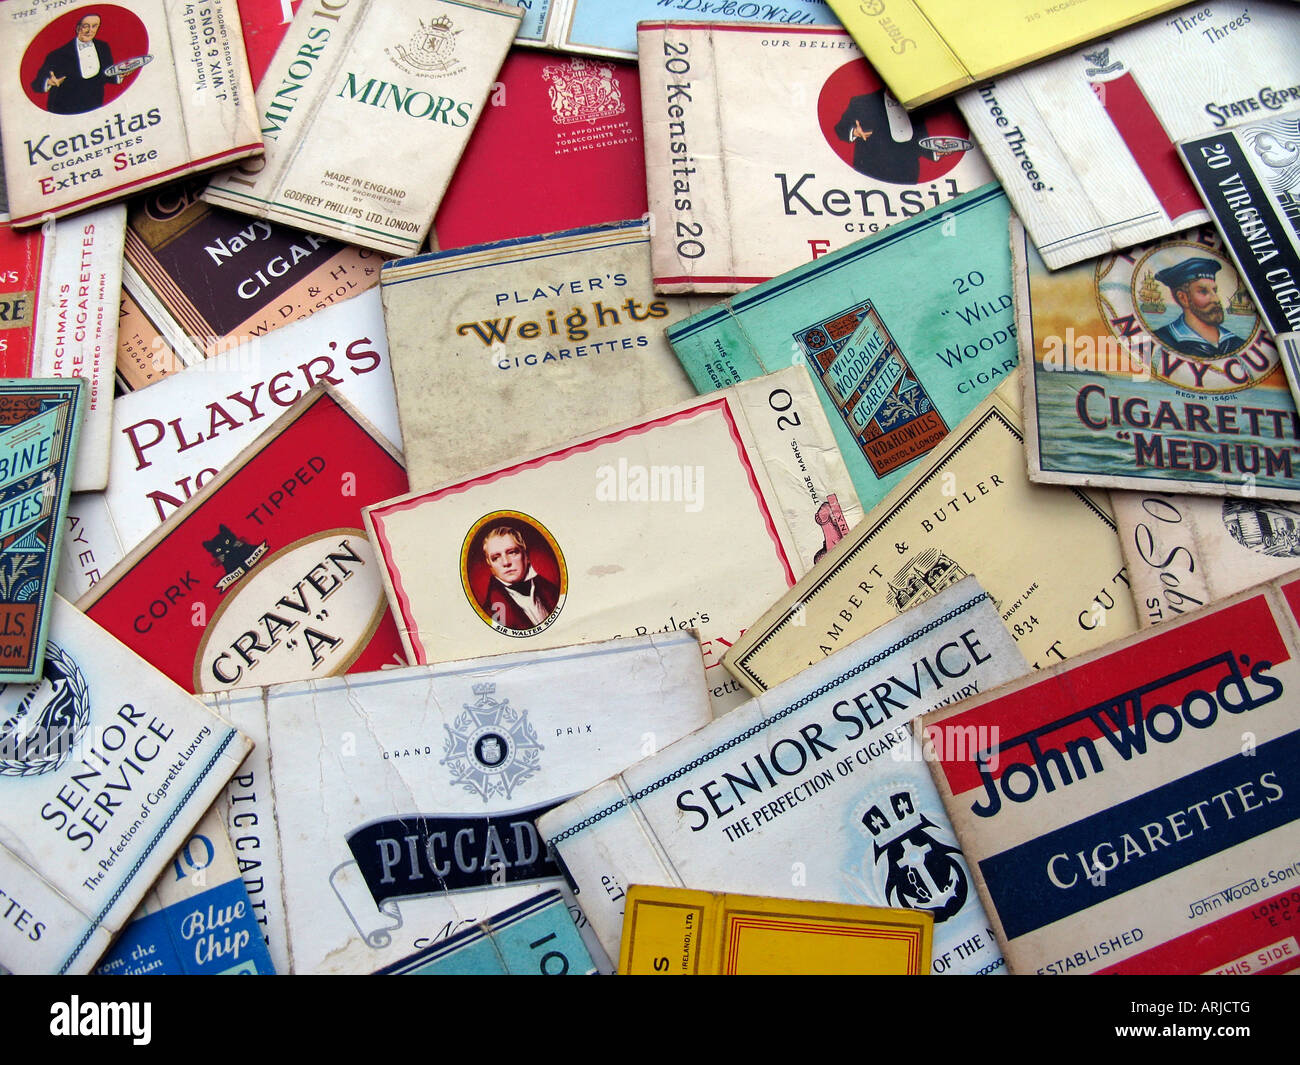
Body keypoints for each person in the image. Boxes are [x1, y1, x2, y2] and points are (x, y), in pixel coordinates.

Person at [1150, 257, 1245, 359]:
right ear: (1183, 298)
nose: (1216, 299)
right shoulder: (1158, 341)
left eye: (1214, 290)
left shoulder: (1236, 342)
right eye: (1204, 291)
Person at [833, 89, 931, 185]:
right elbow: (841, 129)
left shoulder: (918, 103)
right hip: (872, 172)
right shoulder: (863, 102)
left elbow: (921, 137)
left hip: (907, 172)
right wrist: (854, 132)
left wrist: (935, 152)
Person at [30, 13, 117, 116]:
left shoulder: (103, 47)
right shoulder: (58, 55)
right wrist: (48, 82)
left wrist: (120, 74)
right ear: (78, 28)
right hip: (65, 110)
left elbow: (106, 75)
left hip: (95, 107)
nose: (90, 30)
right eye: (86, 26)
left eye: (94, 26)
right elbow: (36, 85)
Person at [478, 524, 559, 630]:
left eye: (512, 552)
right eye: (496, 558)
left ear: (526, 555)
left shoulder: (552, 591)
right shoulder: (490, 613)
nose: (506, 562)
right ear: (490, 565)